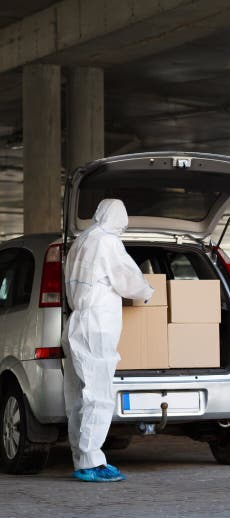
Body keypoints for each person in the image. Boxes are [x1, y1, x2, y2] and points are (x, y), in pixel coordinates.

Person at [62, 199, 154, 483]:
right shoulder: (108, 242)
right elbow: (127, 278)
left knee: (78, 396)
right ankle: (91, 461)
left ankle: (82, 458)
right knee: (99, 396)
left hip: (76, 322)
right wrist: (147, 291)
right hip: (97, 326)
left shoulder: (81, 241)